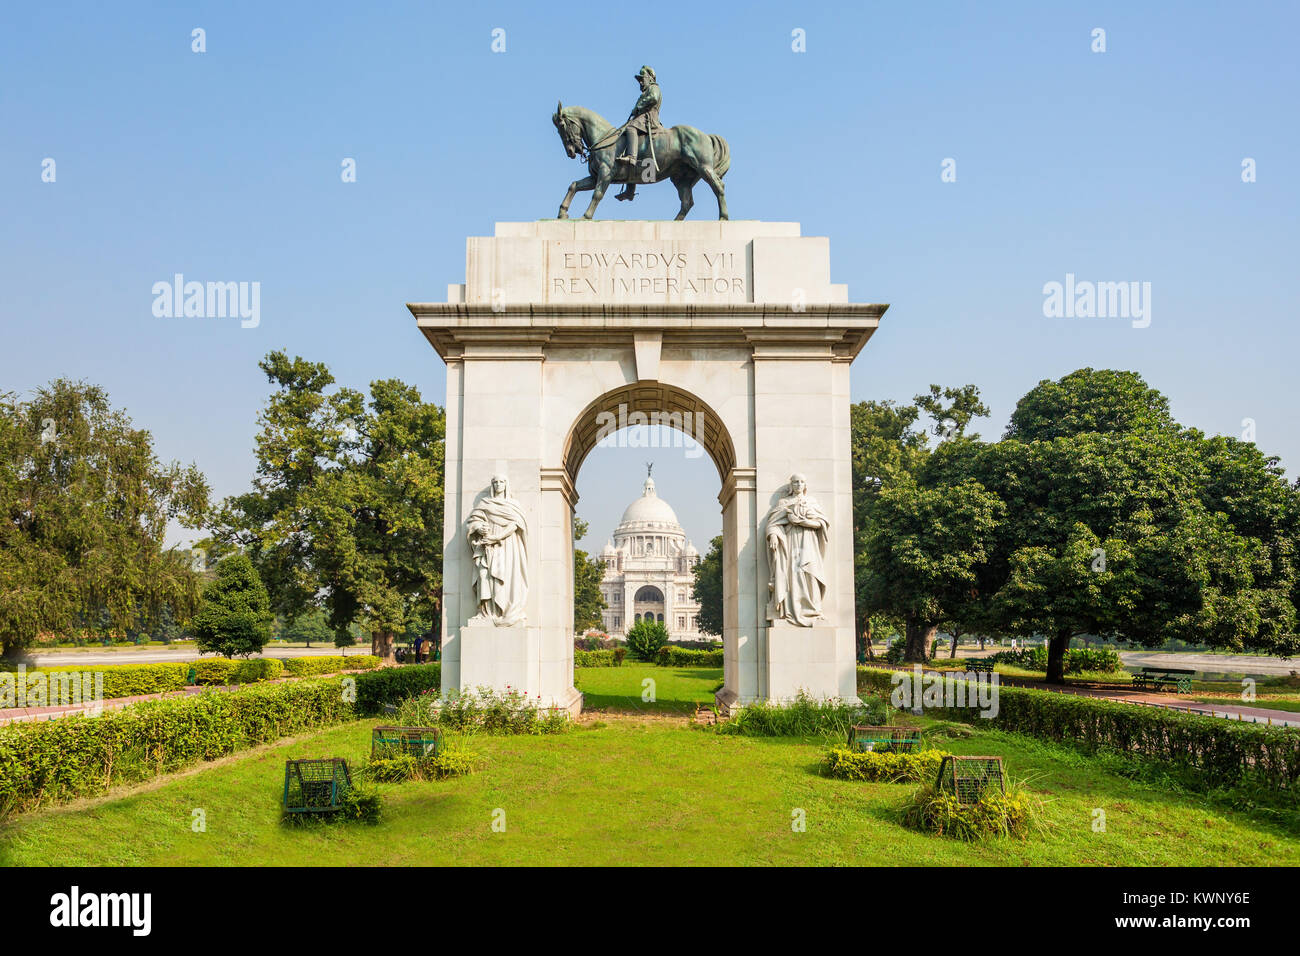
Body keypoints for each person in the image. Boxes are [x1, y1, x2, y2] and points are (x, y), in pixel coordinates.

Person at [762, 474, 830, 626]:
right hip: (791, 542)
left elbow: (822, 523)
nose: (798, 484)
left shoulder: (812, 502)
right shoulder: (784, 502)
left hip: (809, 542)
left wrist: (804, 522)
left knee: (810, 573)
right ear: (790, 485)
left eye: (801, 482)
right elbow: (772, 523)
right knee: (793, 575)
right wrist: (773, 535)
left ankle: (813, 609)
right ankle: (792, 609)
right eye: (795, 482)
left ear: (805, 485)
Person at [466, 474, 529, 626]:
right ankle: (486, 612)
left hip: (506, 546)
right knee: (484, 576)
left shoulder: (513, 505)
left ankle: (504, 611)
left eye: (501, 482)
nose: (498, 485)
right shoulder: (485, 503)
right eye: (495, 482)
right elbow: (473, 522)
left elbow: (516, 524)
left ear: (506, 485)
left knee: (504, 577)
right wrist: (479, 527)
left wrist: (496, 537)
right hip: (486, 546)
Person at [615, 65, 662, 202]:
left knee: (630, 128)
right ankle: (630, 191)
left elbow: (653, 98)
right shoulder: (645, 91)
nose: (641, 82)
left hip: (649, 119)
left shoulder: (654, 88)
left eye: (643, 79)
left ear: (651, 78)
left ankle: (632, 157)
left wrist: (638, 107)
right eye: (639, 80)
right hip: (643, 118)